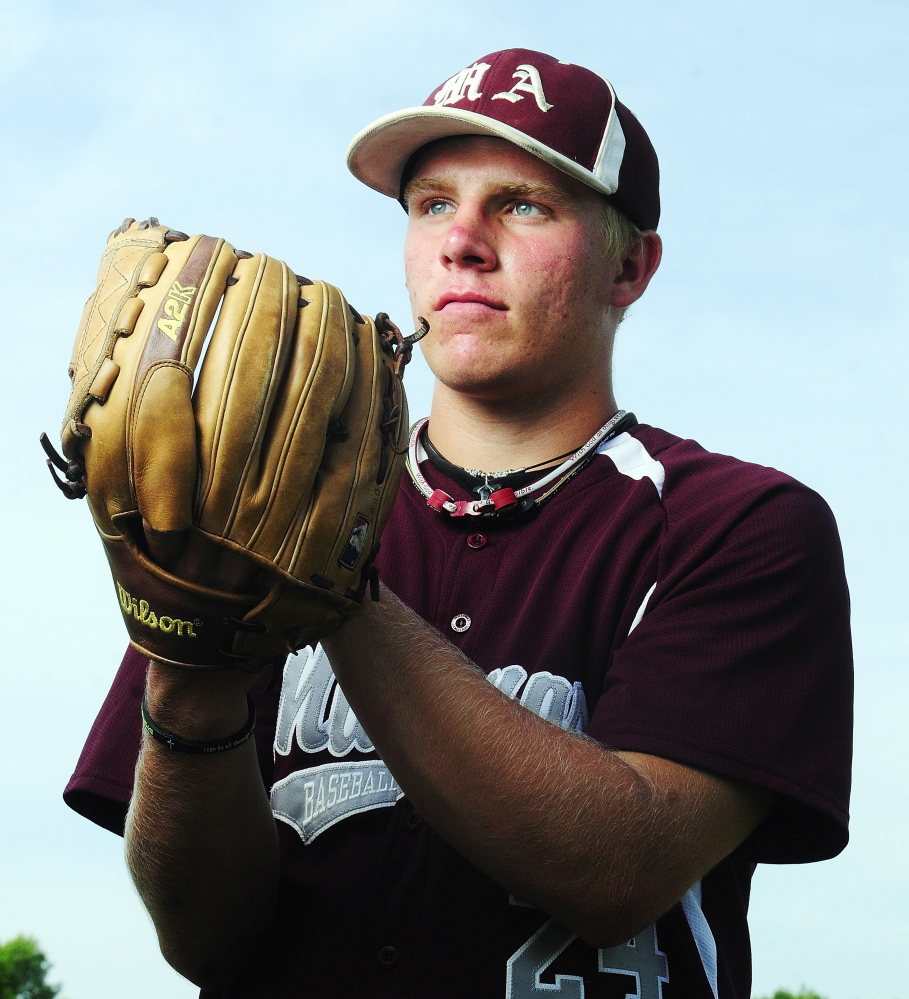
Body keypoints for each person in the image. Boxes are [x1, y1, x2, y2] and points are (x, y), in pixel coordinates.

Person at [64, 48, 853, 999]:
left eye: (524, 204)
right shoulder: (248, 493)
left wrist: (330, 575)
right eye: (432, 202)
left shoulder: (737, 524)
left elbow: (618, 870)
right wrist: (185, 679)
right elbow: (206, 939)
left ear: (630, 266)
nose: (462, 240)